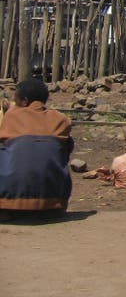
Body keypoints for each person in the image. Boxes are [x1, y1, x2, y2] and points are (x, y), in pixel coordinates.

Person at [0, 78, 73, 214]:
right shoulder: (60, 119)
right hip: (53, 204)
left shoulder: (12, 116)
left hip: (7, 204)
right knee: (62, 145)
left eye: (16, 101)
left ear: (24, 101)